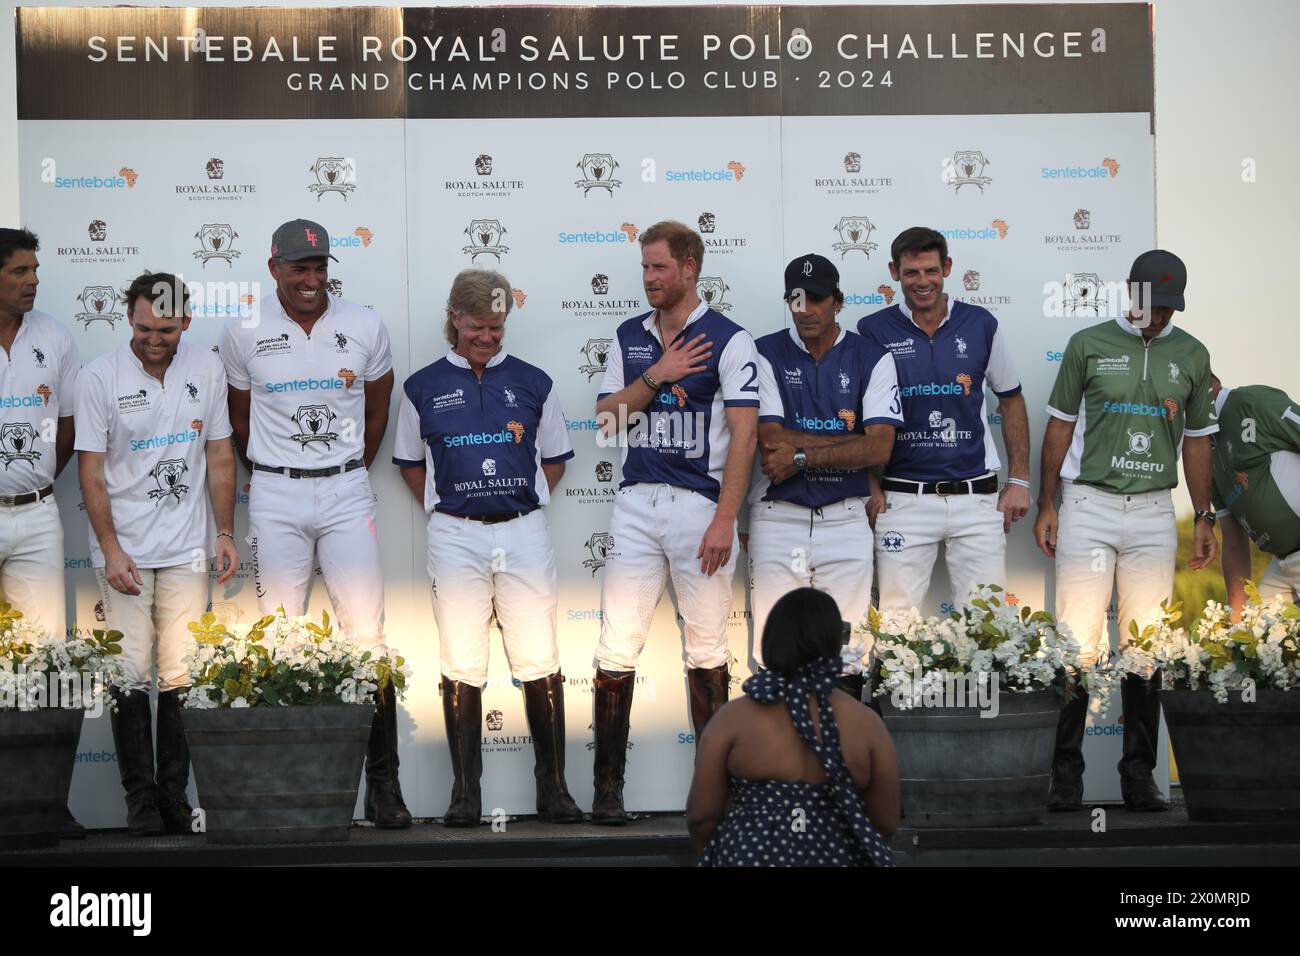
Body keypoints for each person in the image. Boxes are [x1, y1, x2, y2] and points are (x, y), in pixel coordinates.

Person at [217, 219, 409, 828]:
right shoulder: (243, 328)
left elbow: (378, 409)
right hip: (274, 493)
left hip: (347, 489)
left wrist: (346, 467)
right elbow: (239, 420)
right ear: (274, 268)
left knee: (367, 639)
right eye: (299, 267)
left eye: (319, 265)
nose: (311, 278)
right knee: (280, 635)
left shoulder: (364, 324)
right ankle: (286, 784)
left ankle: (384, 790)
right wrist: (278, 472)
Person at [392, 268, 582, 827]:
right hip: (456, 533)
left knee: (539, 656)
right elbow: (409, 463)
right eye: (477, 326)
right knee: (461, 660)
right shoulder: (421, 387)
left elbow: (555, 459)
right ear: (454, 317)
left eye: (496, 328)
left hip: (523, 531)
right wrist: (448, 506)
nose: (487, 337)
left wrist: (521, 500)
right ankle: (465, 795)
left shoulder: (534, 382)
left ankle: (554, 790)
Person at [1035, 249, 1218, 812]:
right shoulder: (1088, 343)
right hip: (1088, 504)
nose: (1159, 317)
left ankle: (1138, 777)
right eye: (1151, 304)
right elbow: (1059, 429)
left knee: (1146, 647)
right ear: (1129, 291)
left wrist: (1205, 513)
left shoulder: (1191, 353)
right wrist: (1049, 503)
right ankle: (1065, 777)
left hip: (1153, 512)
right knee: (1075, 644)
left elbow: (1197, 441)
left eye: (1169, 308)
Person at [592, 220, 759, 825]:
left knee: (708, 648)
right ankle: (607, 791)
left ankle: (715, 795)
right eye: (644, 268)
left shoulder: (731, 339)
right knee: (616, 645)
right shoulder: (629, 336)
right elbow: (608, 422)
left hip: (699, 507)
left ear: (690, 267)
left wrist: (725, 519)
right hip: (636, 502)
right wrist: (658, 373)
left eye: (659, 267)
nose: (649, 279)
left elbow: (744, 438)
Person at [77, 271, 239, 836]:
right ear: (129, 318)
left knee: (181, 674)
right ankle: (139, 801)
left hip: (188, 549)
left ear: (186, 322)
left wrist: (223, 532)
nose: (154, 338)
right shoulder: (98, 376)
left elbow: (220, 455)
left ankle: (173, 795)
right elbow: (91, 473)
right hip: (123, 554)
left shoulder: (207, 367)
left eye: (166, 329)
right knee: (127, 674)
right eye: (145, 327)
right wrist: (111, 548)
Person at [857, 227, 1031, 613]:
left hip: (976, 498)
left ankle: (979, 678)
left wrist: (1019, 479)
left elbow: (1012, 399)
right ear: (894, 272)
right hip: (903, 498)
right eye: (911, 273)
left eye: (931, 271)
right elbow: (863, 418)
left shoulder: (981, 324)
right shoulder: (873, 330)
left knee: (987, 623)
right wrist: (870, 483)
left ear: (947, 268)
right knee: (896, 622)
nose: (922, 282)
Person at [749, 254, 900, 679]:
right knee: (774, 651)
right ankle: (781, 748)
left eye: (816, 299)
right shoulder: (764, 352)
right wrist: (855, 444)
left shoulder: (872, 356)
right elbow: (771, 439)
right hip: (778, 517)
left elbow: (881, 449)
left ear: (838, 301)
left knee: (847, 653)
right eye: (796, 299)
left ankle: (838, 747)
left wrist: (801, 456)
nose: (805, 310)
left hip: (845, 517)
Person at [686, 587, 899, 867]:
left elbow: (703, 815)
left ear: (772, 641)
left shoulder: (731, 720)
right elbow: (885, 821)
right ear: (836, 643)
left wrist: (716, 855)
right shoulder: (866, 723)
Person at [0, 227, 83, 838]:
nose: (33, 281)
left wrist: (33, 483)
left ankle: (45, 798)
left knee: (45, 659)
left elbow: (68, 426)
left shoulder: (54, 335)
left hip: (36, 514)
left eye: (35, 270)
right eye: (20, 271)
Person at [1208, 374, 1300, 610]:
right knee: (1251, 637)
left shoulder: (1253, 402)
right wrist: (1236, 620)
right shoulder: (1203, 450)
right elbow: (1233, 542)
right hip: (1281, 563)